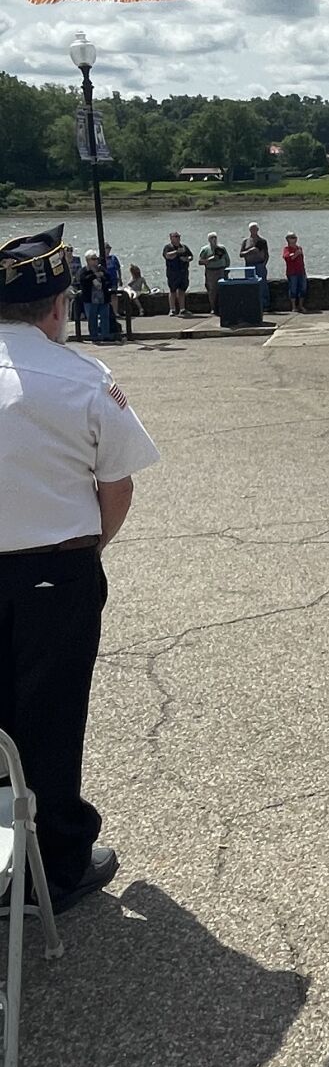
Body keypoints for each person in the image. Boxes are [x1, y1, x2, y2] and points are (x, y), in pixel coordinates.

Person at [0, 225, 160, 913]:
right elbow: (116, 487)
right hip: (51, 576)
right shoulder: (80, 378)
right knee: (49, 721)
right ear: (58, 304)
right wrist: (88, 551)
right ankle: (56, 863)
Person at [78, 251, 112, 342]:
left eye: (96, 259)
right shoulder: (84, 271)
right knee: (92, 319)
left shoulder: (101, 269)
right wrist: (94, 276)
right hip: (90, 299)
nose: (96, 261)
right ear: (87, 260)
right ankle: (94, 336)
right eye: (93, 259)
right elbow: (83, 280)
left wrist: (101, 275)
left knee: (105, 317)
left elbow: (109, 278)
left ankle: (105, 335)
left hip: (103, 298)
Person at [198, 232, 230, 315]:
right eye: (212, 238)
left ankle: (223, 307)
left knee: (222, 289)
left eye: (215, 237)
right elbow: (200, 262)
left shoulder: (222, 248)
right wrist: (210, 259)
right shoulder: (205, 249)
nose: (214, 239)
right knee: (212, 290)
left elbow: (227, 259)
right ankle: (213, 308)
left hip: (221, 270)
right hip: (211, 271)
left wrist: (226, 270)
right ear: (209, 239)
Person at [162, 229, 192, 317]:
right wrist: (176, 252)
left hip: (183, 272)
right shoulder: (168, 247)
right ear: (171, 238)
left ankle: (182, 309)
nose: (178, 238)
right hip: (173, 272)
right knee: (172, 290)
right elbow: (167, 255)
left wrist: (187, 259)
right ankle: (172, 309)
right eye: (176, 237)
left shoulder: (184, 247)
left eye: (178, 236)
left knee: (182, 290)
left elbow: (191, 256)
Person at [240, 222, 270, 310]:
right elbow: (241, 254)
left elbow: (267, 254)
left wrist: (264, 264)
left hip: (260, 265)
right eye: (252, 229)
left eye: (255, 229)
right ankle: (251, 304)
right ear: (249, 230)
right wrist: (250, 251)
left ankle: (265, 305)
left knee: (263, 285)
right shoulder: (245, 241)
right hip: (249, 266)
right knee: (250, 284)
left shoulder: (263, 241)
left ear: (258, 230)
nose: (254, 231)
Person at [282, 231, 308, 313]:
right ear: (288, 240)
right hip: (292, 273)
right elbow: (287, 258)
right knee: (293, 289)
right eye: (292, 238)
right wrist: (295, 254)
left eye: (295, 237)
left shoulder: (299, 248)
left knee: (303, 288)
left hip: (301, 272)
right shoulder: (286, 249)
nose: (294, 239)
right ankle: (293, 307)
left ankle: (301, 305)